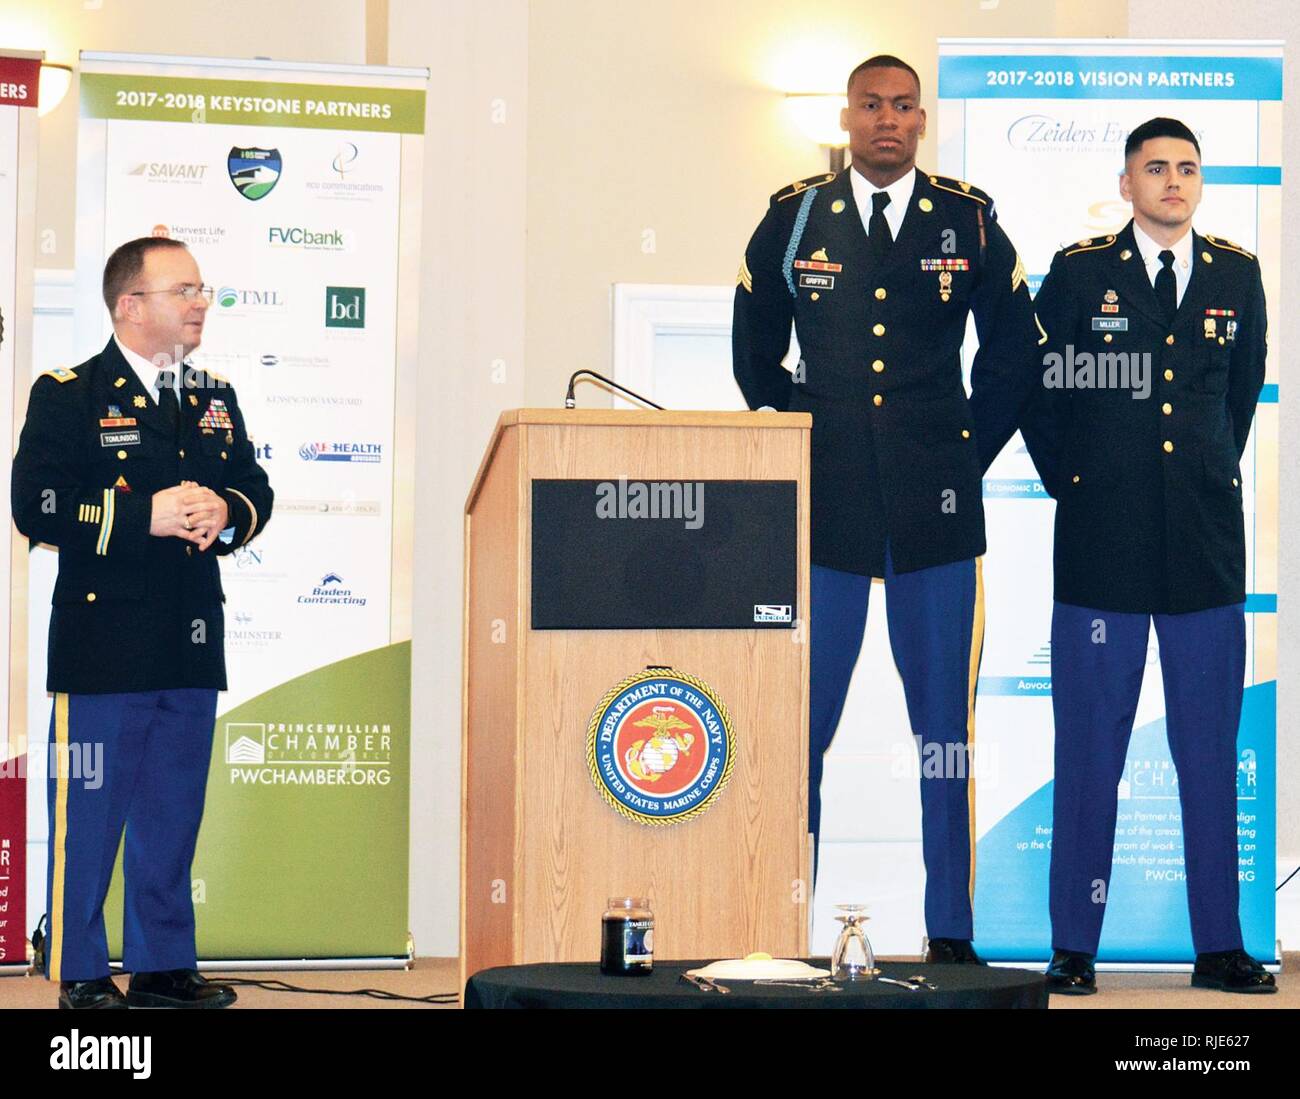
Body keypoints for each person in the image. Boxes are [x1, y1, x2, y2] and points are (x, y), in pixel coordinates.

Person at [732, 55, 1040, 963]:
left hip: (937, 516)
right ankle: (783, 920)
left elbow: (1015, 355)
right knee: (803, 728)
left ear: (921, 120)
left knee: (945, 729)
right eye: (872, 106)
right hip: (822, 514)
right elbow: (754, 355)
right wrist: (802, 436)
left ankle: (951, 929)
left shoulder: (968, 219)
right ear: (847, 115)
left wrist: (963, 452)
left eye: (904, 107)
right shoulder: (794, 216)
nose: (888, 122)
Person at [1022, 118, 1273, 994]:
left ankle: (1220, 946)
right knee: (1091, 751)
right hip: (1102, 546)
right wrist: (1080, 484)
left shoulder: (1236, 274)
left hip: (1203, 549)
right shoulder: (1082, 270)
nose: (1173, 181)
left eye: (1187, 169)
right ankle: (1073, 947)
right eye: (1155, 168)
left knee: (1209, 753)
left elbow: (1235, 402)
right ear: (1125, 182)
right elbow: (1043, 391)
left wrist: (1197, 477)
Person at [11, 236, 273, 1009]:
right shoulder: (69, 393)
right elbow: (37, 505)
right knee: (88, 817)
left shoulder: (213, 395)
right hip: (102, 647)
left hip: (190, 639)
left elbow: (254, 486)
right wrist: (142, 516)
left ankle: (162, 964)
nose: (201, 303)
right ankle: (83, 970)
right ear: (131, 304)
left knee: (171, 809)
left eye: (203, 289)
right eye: (184, 289)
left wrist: (228, 511)